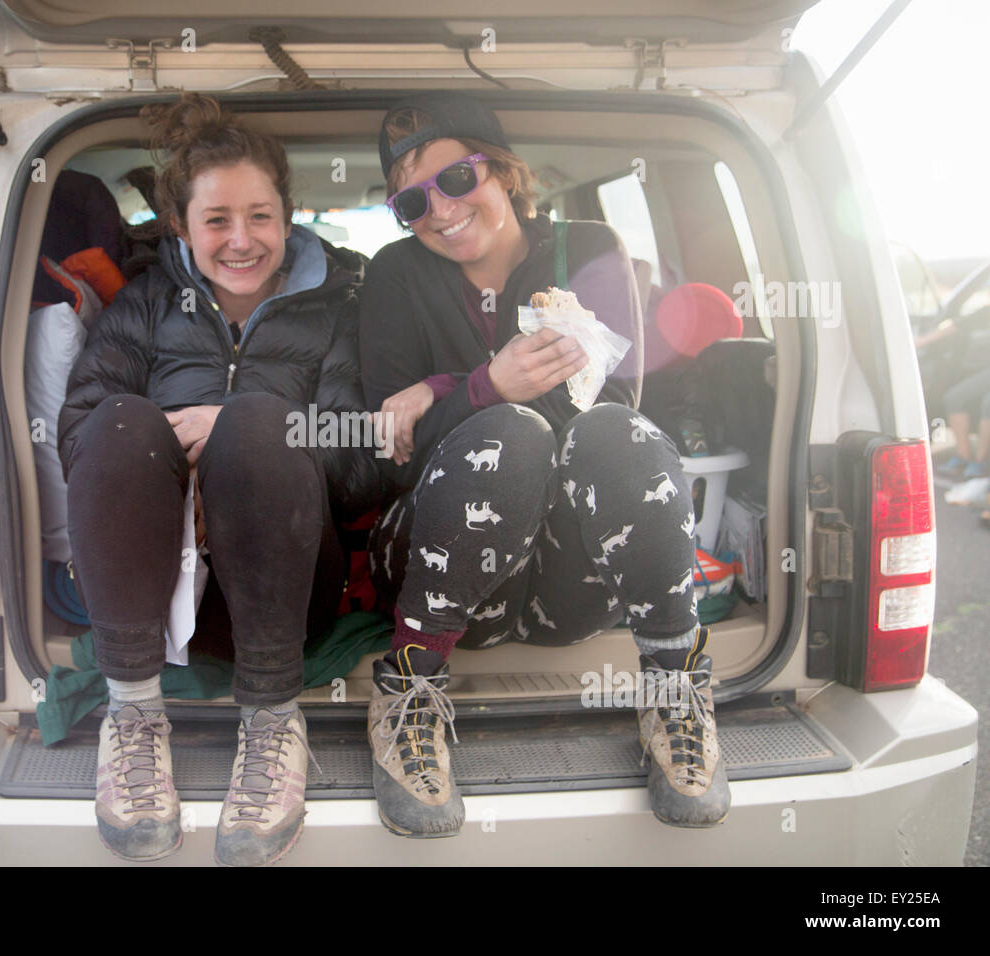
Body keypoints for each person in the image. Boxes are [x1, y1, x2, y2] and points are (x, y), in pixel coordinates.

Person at [358, 92, 730, 837]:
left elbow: (611, 399)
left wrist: (452, 392)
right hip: (451, 585)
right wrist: (484, 390)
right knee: (514, 432)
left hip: (575, 588)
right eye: (411, 200)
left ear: (500, 170)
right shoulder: (395, 275)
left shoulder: (587, 248)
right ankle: (409, 687)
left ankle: (675, 685)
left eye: (456, 180)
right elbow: (392, 453)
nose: (439, 209)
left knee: (615, 434)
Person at [58, 93, 383, 865]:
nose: (242, 241)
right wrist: (171, 442)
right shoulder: (144, 306)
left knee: (265, 421)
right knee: (119, 423)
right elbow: (79, 434)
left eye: (261, 216)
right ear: (181, 226)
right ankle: (133, 717)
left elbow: (365, 458)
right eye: (217, 220)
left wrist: (240, 425)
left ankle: (273, 722)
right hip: (152, 600)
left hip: (286, 594)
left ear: (289, 214)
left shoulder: (341, 310)